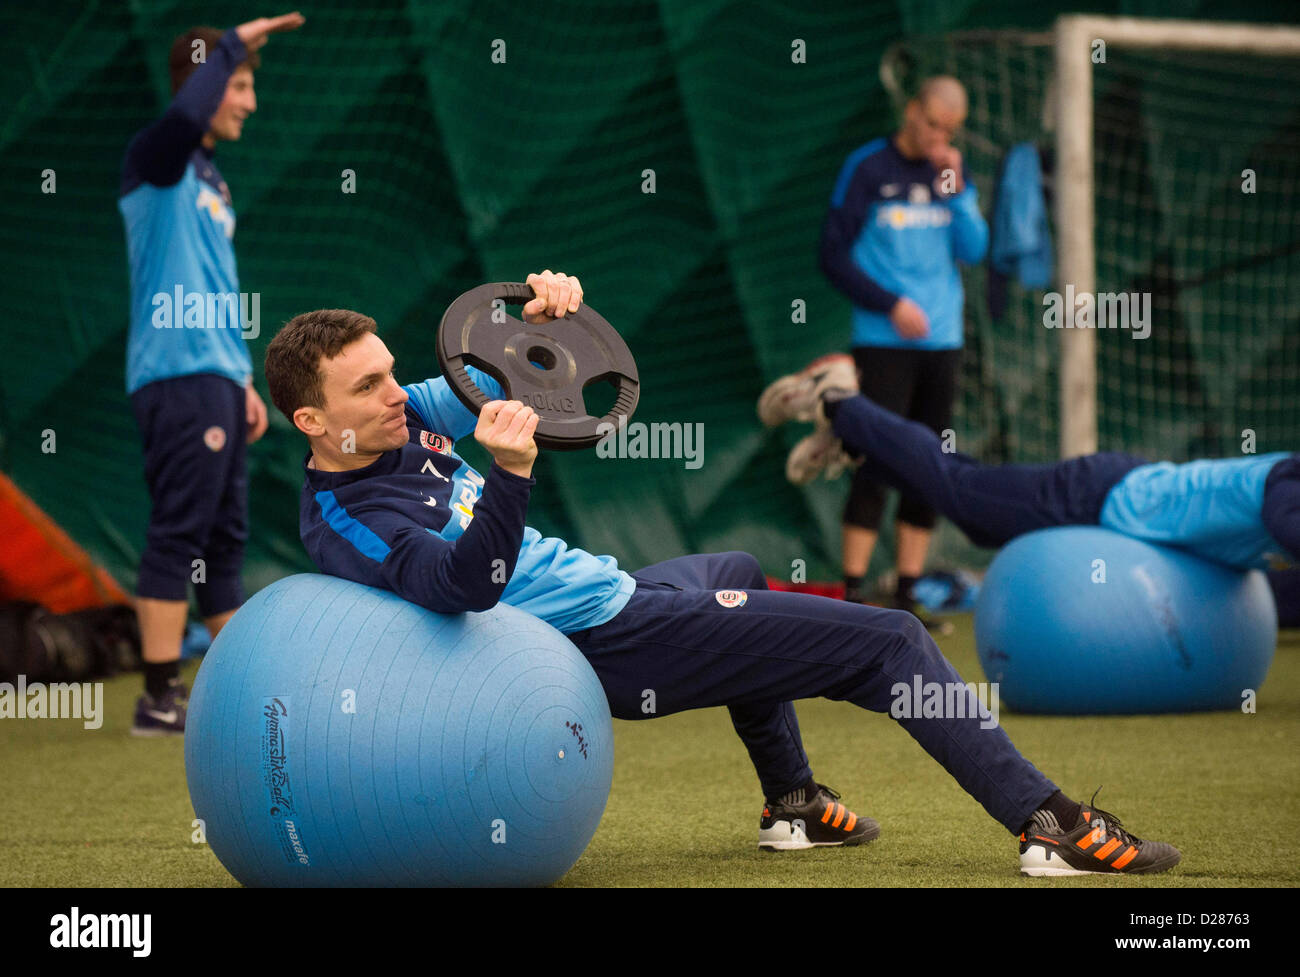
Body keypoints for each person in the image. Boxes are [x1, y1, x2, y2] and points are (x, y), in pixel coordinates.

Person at [261, 271, 1180, 876]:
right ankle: (1047, 825)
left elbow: (492, 362)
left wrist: (547, 311)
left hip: (620, 596)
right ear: (312, 423)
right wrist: (510, 473)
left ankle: (792, 806)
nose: (397, 394)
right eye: (369, 389)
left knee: (737, 565)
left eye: (390, 376)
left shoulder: (397, 419)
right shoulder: (349, 520)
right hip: (607, 648)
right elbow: (466, 587)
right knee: (893, 640)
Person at [119, 12, 304, 736]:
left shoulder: (209, 179)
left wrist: (243, 383)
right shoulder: (154, 159)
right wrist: (231, 45)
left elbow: (215, 289)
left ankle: (239, 690)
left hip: (217, 379)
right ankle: (158, 698)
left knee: (225, 540)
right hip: (176, 378)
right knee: (180, 531)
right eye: (240, 86)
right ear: (206, 82)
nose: (249, 103)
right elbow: (186, 109)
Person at [760, 354, 1300, 591]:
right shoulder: (1289, 483)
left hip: (1106, 508)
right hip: (1095, 496)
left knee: (976, 514)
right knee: (961, 489)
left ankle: (862, 450)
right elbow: (1283, 512)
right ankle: (837, 399)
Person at [808, 75, 987, 630]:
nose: (939, 138)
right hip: (883, 342)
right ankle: (855, 592)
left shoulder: (951, 173)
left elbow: (976, 249)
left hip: (943, 343)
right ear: (911, 111)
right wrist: (890, 304)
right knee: (874, 454)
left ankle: (908, 591)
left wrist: (954, 192)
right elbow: (832, 255)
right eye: (933, 124)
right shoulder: (868, 168)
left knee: (927, 458)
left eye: (950, 131)